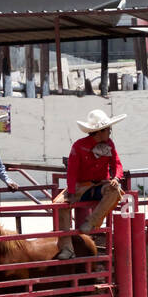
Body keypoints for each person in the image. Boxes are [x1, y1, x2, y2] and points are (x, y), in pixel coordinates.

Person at [54, 108, 127, 260]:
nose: (110, 133)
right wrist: (72, 192)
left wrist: (116, 178)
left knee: (116, 190)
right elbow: (72, 171)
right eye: (108, 130)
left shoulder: (110, 144)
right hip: (82, 185)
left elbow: (117, 165)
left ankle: (91, 222)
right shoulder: (78, 146)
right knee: (60, 204)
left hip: (102, 183)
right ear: (99, 131)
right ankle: (67, 248)